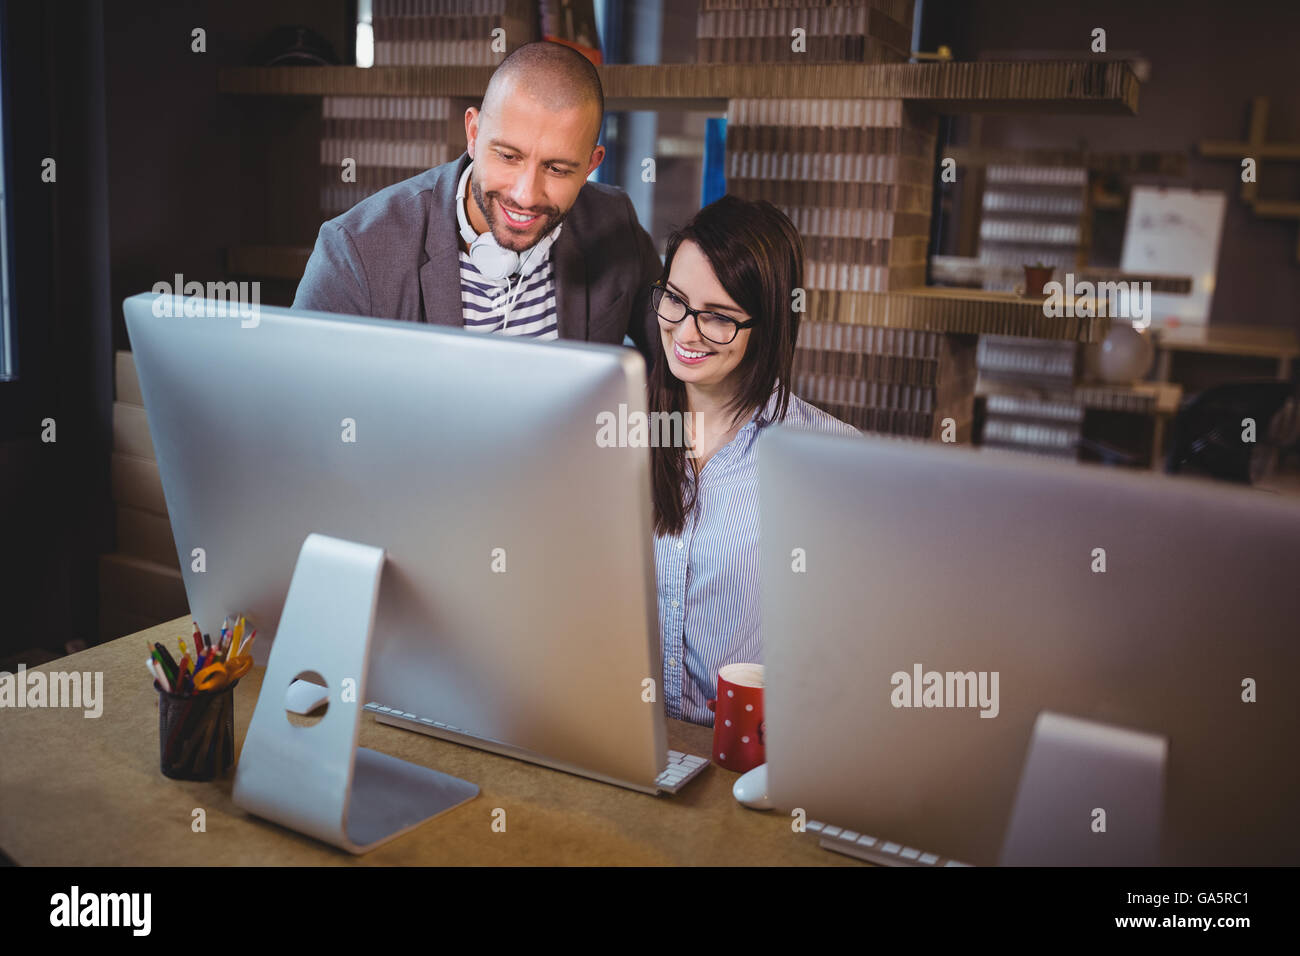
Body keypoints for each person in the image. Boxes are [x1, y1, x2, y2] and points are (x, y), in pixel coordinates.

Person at [293, 41, 659, 365]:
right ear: (473, 133)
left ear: (591, 166)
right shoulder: (355, 250)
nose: (525, 195)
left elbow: (681, 358)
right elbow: (298, 408)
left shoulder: (615, 221)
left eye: (557, 168)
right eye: (508, 156)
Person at [649, 195, 859, 727]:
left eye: (718, 317)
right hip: (624, 749)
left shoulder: (833, 461)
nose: (686, 331)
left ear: (766, 325)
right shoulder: (613, 431)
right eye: (675, 299)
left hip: (749, 770)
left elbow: (855, 649)